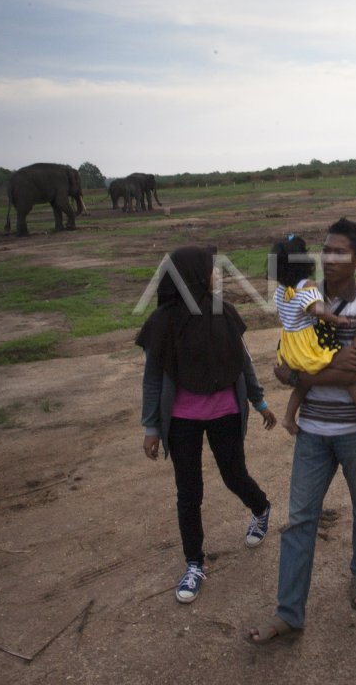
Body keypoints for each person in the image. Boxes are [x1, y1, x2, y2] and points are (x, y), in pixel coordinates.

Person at [247, 217, 356, 644]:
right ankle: (289, 612)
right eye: (325, 249)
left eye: (340, 251)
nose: (330, 257)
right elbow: (284, 359)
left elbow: (354, 365)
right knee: (300, 520)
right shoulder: (299, 297)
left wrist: (298, 377)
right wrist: (298, 372)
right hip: (311, 430)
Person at [137, 245, 277, 604]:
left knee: (234, 476)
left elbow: (243, 363)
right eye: (213, 270)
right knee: (189, 493)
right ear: (193, 277)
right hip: (181, 419)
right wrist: (152, 427)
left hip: (225, 413)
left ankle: (261, 508)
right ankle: (194, 563)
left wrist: (259, 402)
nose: (217, 275)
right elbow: (153, 378)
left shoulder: (224, 313)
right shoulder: (163, 323)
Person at [270, 232, 356, 433]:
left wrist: (291, 377)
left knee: (301, 386)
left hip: (288, 346)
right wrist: (337, 319)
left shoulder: (280, 291)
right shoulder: (307, 287)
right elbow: (317, 311)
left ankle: (288, 417)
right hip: (306, 343)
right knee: (346, 369)